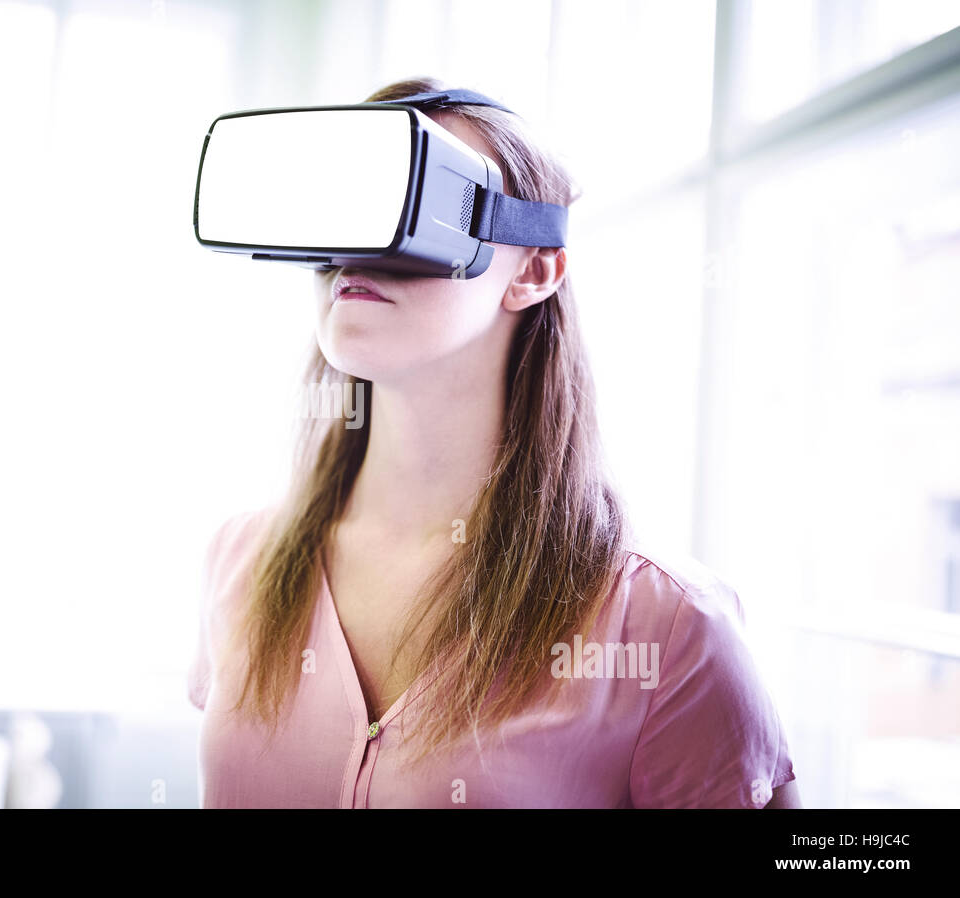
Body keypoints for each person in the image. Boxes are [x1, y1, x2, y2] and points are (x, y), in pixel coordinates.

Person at [187, 77, 799, 808]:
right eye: (353, 205)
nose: (362, 247)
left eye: (419, 201)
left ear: (535, 269)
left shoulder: (668, 627)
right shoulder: (240, 562)